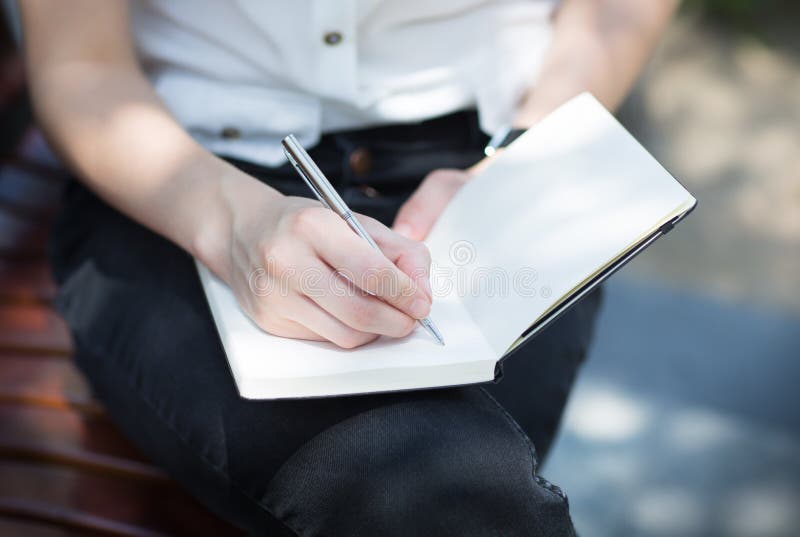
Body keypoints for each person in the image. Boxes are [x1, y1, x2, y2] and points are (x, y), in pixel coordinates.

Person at [19, 0, 678, 535]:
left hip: (497, 164)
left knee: (456, 499)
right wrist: (228, 221)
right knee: (452, 500)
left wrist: (521, 158)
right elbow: (80, 65)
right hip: (175, 181)